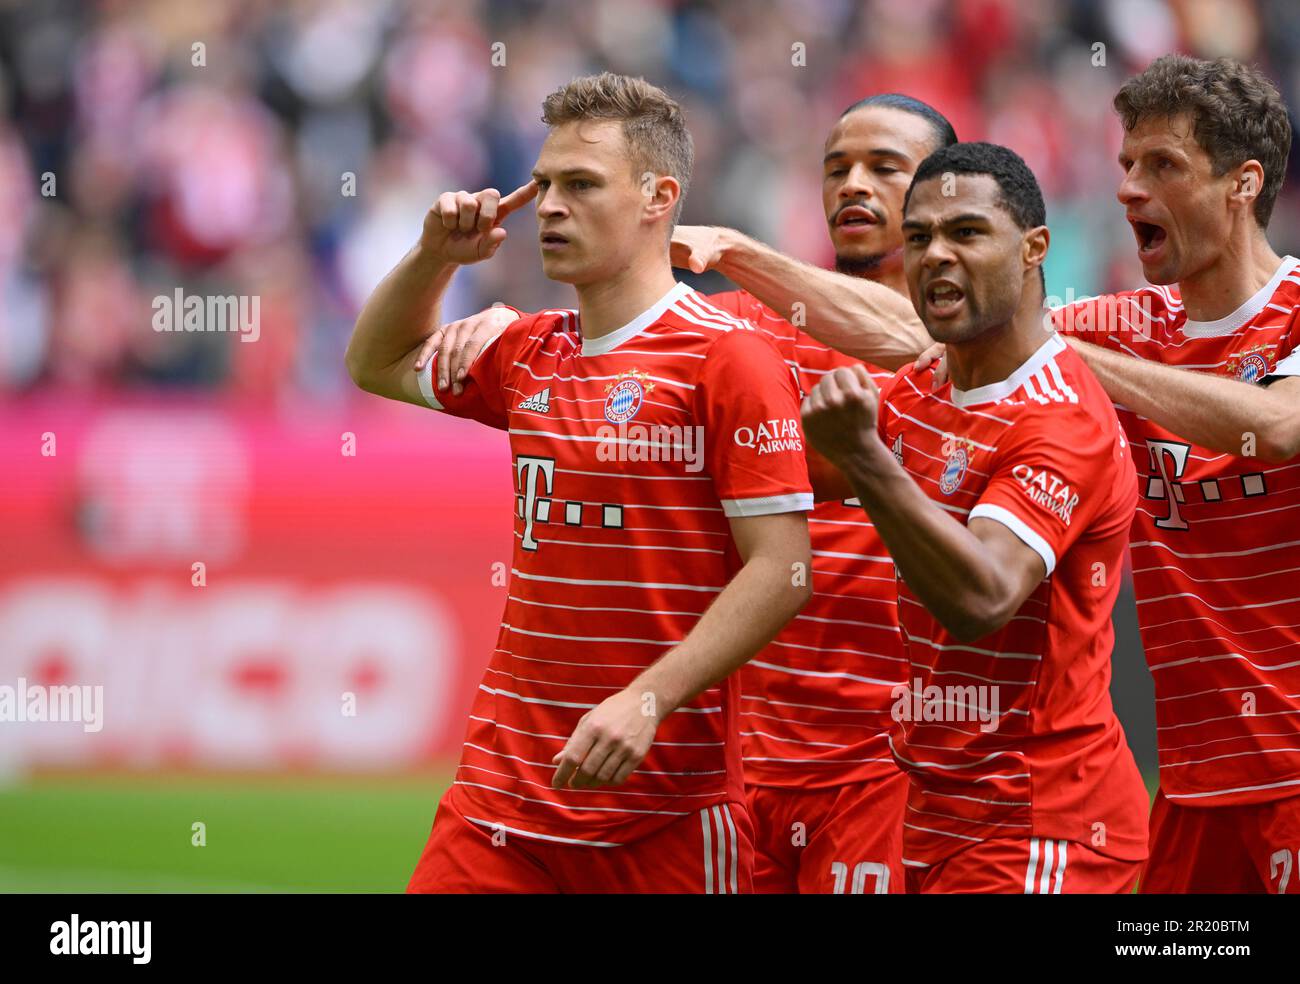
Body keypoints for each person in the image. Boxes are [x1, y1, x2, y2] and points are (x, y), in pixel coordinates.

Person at [427, 94, 951, 893]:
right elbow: (631, 332)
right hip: (744, 754)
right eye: (837, 166)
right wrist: (497, 321)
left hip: (883, 755)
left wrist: (741, 250)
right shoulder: (743, 332)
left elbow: (925, 339)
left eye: (886, 168)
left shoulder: (976, 349)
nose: (855, 184)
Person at [345, 72, 814, 893]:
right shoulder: (527, 351)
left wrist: (648, 698)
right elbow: (374, 363)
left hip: (663, 806)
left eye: (582, 184)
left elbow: (783, 567)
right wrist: (434, 259)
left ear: (657, 199)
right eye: (546, 183)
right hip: (500, 801)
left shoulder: (729, 358)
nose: (550, 206)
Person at [918, 54, 1300, 893]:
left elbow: (1275, 427)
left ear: (1243, 184)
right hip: (1195, 789)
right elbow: (965, 322)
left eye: (1162, 165)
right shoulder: (1117, 324)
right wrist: (748, 267)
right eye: (1126, 163)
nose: (1129, 187)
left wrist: (1058, 353)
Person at [802, 142, 1149, 893]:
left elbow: (983, 597)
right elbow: (775, 477)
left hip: (1043, 824)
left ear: (1034, 250)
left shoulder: (1062, 420)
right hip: (937, 805)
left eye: (966, 233)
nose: (936, 255)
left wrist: (863, 459)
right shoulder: (922, 389)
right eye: (920, 236)